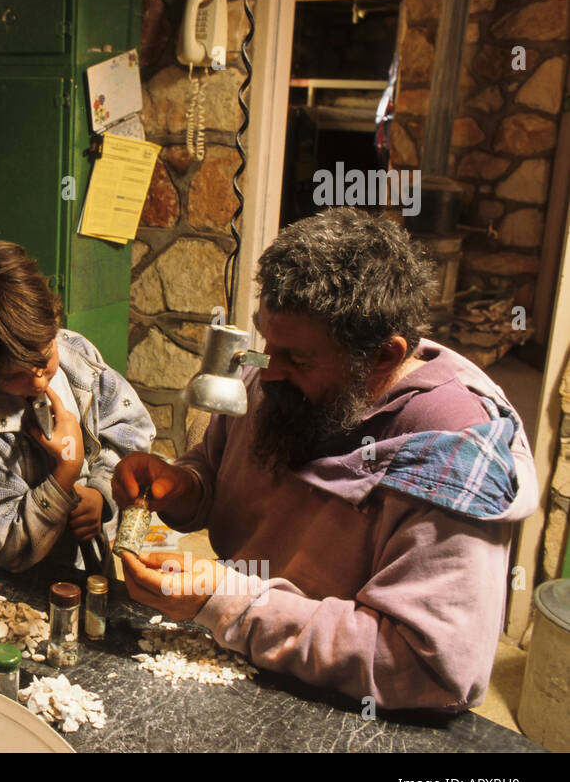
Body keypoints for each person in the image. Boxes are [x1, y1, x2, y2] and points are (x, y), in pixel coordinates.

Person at [112, 207, 538, 713]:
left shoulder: (450, 458)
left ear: (382, 356)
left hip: (352, 713)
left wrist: (225, 600)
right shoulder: (282, 375)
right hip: (244, 658)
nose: (267, 372)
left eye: (296, 358)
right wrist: (184, 486)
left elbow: (432, 669)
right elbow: (219, 467)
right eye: (268, 343)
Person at [0, 240, 155, 572]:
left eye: (43, 359)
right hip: (22, 585)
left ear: (53, 318)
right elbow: (7, 546)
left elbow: (133, 428)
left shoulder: (74, 351)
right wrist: (66, 471)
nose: (38, 382)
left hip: (91, 565)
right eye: (12, 377)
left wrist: (101, 492)